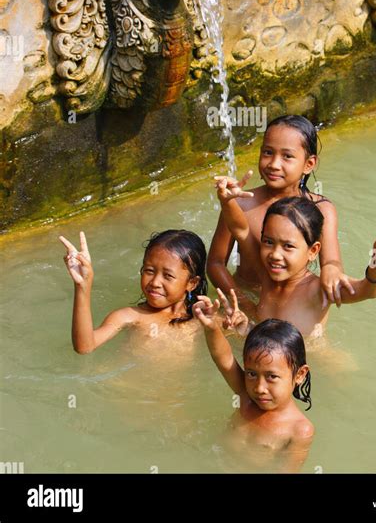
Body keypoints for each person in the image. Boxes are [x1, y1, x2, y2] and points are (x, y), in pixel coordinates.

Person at [213, 182, 376, 337]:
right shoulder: (266, 274)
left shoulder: (318, 289)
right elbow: (240, 228)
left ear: (313, 251)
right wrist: (227, 200)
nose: (275, 254)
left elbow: (368, 290)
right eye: (268, 242)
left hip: (314, 361)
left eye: (288, 246)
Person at [206, 115, 354, 309]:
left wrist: (332, 270)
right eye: (268, 152)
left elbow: (331, 262)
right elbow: (215, 264)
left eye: (287, 156)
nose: (274, 164)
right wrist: (245, 304)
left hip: (293, 303)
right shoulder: (239, 203)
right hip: (246, 296)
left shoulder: (322, 209)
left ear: (309, 164)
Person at [193, 298, 314, 473]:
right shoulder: (246, 396)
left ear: (300, 375)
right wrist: (211, 326)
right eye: (251, 374)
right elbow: (223, 358)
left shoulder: (299, 430)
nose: (259, 388)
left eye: (272, 376)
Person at [59, 229, 208, 353]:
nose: (155, 282)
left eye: (168, 276)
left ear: (192, 283)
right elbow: (85, 347)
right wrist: (83, 286)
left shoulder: (204, 319)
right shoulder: (130, 316)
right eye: (149, 271)